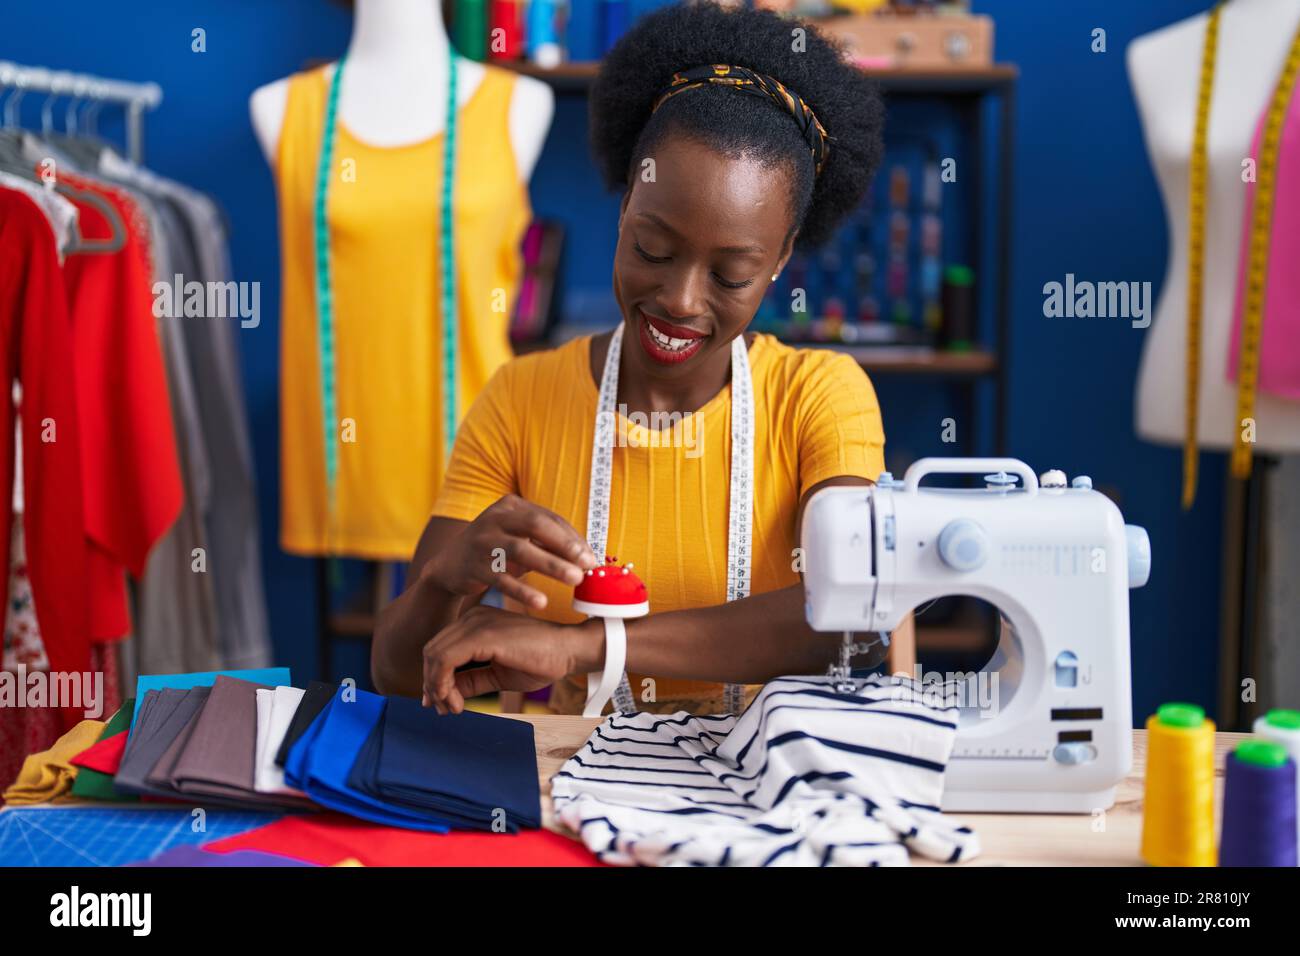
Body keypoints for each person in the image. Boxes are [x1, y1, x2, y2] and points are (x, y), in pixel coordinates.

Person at [372, 1, 888, 716]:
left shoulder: (819, 396)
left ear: (781, 260)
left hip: (758, 806)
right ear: (623, 210)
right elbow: (396, 674)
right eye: (652, 248)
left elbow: (851, 621)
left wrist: (586, 646)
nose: (679, 298)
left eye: (730, 275)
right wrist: (441, 586)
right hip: (575, 790)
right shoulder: (522, 397)